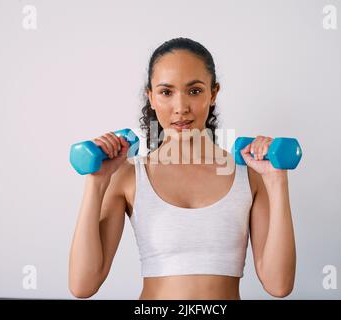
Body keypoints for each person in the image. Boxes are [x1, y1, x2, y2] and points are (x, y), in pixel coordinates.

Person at [68, 37, 296, 300]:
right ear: (151, 97)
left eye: (195, 91)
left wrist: (277, 181)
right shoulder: (129, 175)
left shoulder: (250, 174)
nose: (181, 107)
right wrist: (96, 182)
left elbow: (278, 285)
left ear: (213, 94)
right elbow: (83, 285)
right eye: (166, 92)